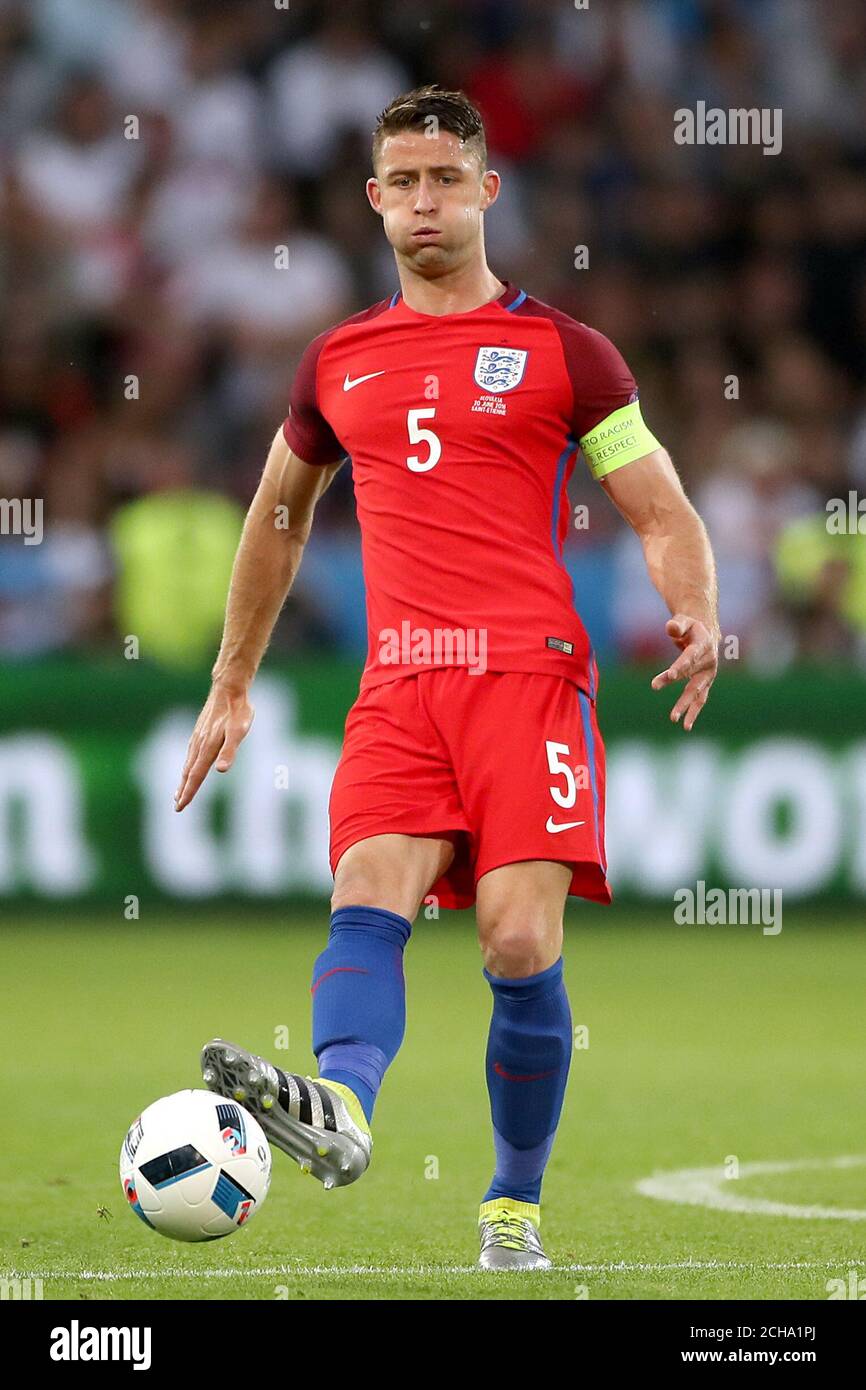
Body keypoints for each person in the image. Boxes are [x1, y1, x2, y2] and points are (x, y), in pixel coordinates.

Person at [175, 85, 720, 1270]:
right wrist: (231, 679)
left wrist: (694, 604)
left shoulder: (566, 354)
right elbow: (275, 518)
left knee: (516, 942)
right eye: (401, 183)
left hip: (526, 679)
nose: (424, 201)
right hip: (398, 686)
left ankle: (511, 1204)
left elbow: (658, 505)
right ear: (374, 201)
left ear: (486, 188)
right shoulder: (334, 362)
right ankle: (345, 1111)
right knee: (366, 890)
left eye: (444, 178)